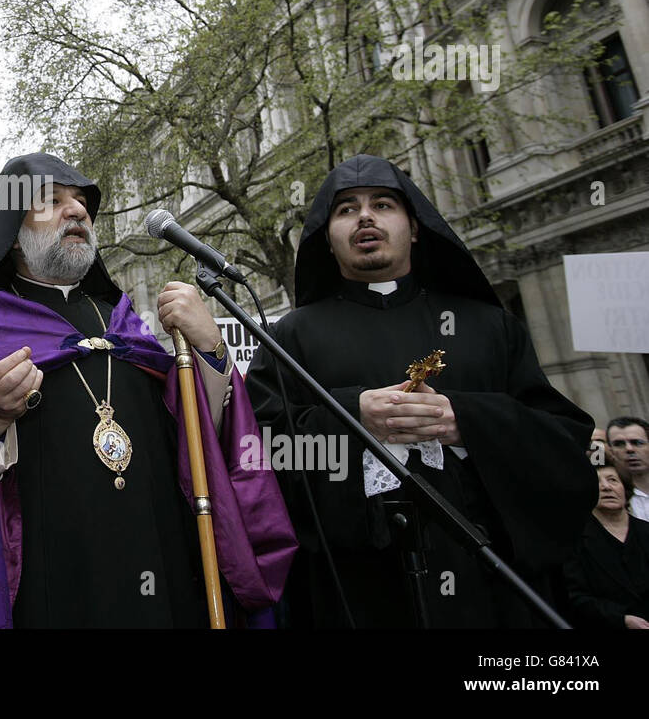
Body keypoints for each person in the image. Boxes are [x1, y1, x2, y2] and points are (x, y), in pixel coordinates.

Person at [0, 153, 295, 628]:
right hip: (48, 582)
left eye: (81, 203)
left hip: (158, 561)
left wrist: (210, 351)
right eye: (52, 202)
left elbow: (197, 441)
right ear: (13, 232)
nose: (76, 212)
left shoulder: (124, 323)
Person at [245, 154, 594, 628]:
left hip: (493, 589)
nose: (364, 216)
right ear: (326, 241)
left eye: (383, 204)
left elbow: (565, 443)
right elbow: (260, 454)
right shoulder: (291, 338)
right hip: (362, 592)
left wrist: (465, 421)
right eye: (345, 209)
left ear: (414, 227)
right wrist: (349, 416)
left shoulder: (488, 325)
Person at [563, 464, 649, 629]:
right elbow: (576, 597)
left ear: (625, 488)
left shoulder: (645, 532)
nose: (606, 487)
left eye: (613, 480)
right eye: (597, 482)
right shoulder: (575, 540)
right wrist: (622, 620)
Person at [607, 416, 649, 521]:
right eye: (619, 444)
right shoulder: (607, 494)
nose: (629, 449)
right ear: (611, 452)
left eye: (637, 443)